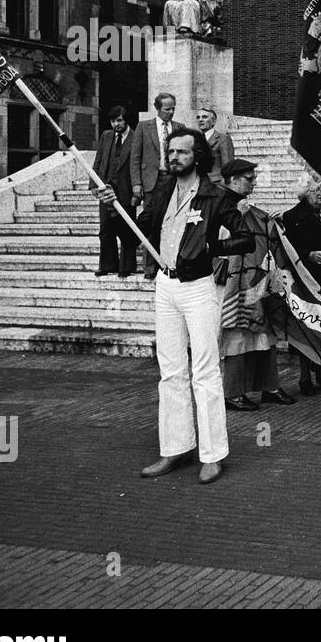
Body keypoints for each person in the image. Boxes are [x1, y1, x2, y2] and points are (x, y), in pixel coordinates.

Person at [99, 128, 252, 485]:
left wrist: (213, 249)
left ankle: (212, 454)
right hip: (165, 286)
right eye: (170, 152)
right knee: (170, 371)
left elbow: (246, 238)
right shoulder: (163, 190)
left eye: (181, 152)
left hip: (199, 287)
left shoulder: (218, 196)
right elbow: (136, 231)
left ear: (198, 156)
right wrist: (114, 207)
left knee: (205, 370)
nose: (173, 157)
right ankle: (175, 447)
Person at [217, 159, 295, 411]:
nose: (254, 182)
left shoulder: (254, 212)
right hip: (231, 284)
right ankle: (232, 392)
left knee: (263, 335)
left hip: (255, 281)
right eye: (249, 178)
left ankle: (269, 387)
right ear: (233, 180)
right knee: (236, 336)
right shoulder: (217, 207)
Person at [282, 175, 321, 395]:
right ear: (304, 193)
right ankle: (304, 374)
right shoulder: (291, 216)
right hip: (305, 279)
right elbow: (287, 248)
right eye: (316, 190)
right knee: (306, 324)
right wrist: (309, 255)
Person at [91, 105, 138, 277]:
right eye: (113, 121)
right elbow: (98, 161)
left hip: (126, 190)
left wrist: (137, 191)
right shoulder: (106, 136)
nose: (116, 124)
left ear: (126, 120)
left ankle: (127, 266)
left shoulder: (136, 137)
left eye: (119, 120)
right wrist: (93, 185)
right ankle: (107, 264)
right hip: (106, 189)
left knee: (127, 228)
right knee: (105, 229)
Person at [130, 93, 185, 211]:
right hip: (151, 181)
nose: (171, 112)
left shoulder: (180, 128)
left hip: (174, 179)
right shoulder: (143, 127)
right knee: (150, 216)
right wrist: (136, 183)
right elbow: (135, 158)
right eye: (167, 109)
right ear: (157, 108)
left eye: (173, 109)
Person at [194, 107, 234, 185]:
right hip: (198, 184)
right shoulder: (195, 140)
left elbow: (228, 166)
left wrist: (224, 187)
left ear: (213, 121)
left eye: (204, 117)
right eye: (198, 117)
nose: (200, 120)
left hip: (216, 183)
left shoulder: (223, 139)